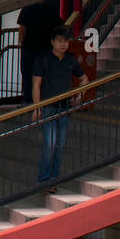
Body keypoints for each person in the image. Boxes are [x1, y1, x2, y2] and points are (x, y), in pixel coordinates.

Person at [31, 25, 89, 189]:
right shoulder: (43, 59)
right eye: (60, 41)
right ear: (53, 42)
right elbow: (36, 85)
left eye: (66, 41)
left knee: (60, 145)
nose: (63, 44)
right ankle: (44, 180)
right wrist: (37, 108)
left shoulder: (70, 59)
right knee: (50, 144)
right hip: (48, 107)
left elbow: (84, 79)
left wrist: (79, 97)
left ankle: (54, 179)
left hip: (65, 108)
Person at [17, 0, 62, 98]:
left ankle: (28, 101)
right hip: (45, 49)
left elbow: (22, 30)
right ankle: (42, 101)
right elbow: (58, 26)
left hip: (29, 48)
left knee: (27, 76)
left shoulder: (27, 8)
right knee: (44, 77)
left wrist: (21, 45)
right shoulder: (51, 8)